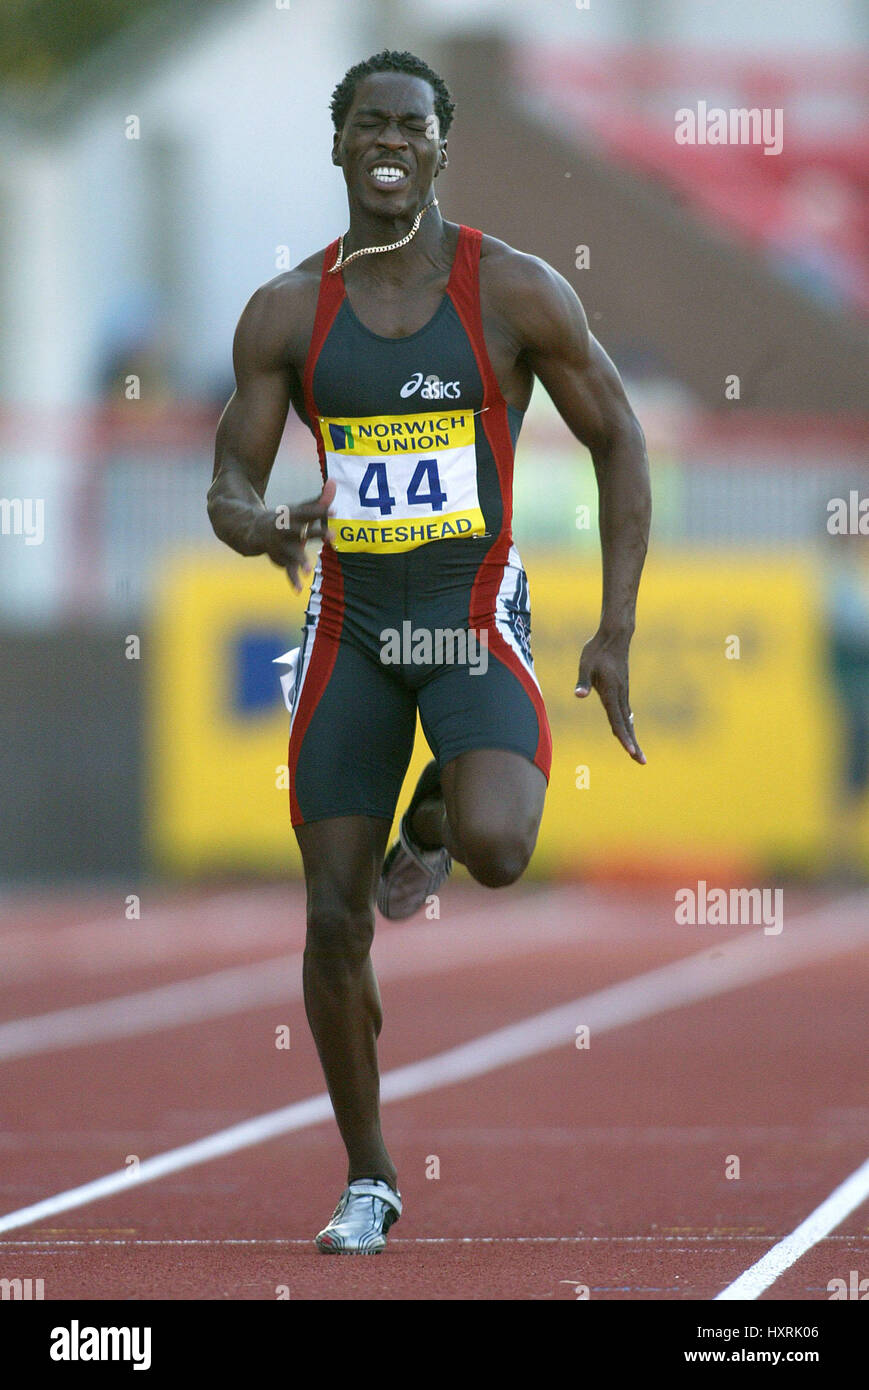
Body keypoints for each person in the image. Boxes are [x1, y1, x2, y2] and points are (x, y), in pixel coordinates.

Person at [207, 50, 651, 1254]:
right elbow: (231, 489)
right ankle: (369, 1175)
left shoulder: (510, 292)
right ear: (339, 144)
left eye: (411, 123)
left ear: (441, 148)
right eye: (368, 123)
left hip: (463, 620)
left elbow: (617, 437)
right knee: (333, 923)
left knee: (502, 846)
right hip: (350, 627)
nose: (389, 140)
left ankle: (434, 822)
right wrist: (262, 528)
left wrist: (612, 626)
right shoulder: (286, 311)